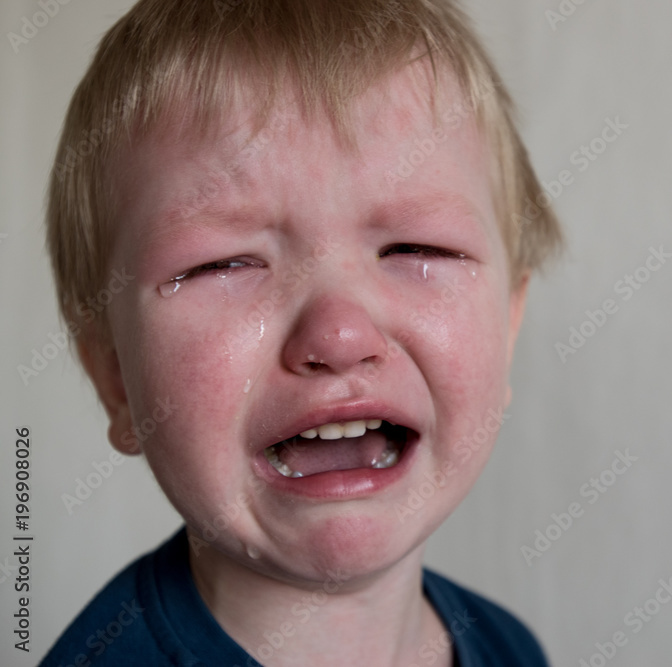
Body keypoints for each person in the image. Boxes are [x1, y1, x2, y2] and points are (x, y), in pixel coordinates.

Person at [40, 0, 561, 664]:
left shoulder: (510, 646)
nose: (339, 335)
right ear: (114, 375)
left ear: (508, 326)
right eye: (223, 264)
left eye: (413, 248)